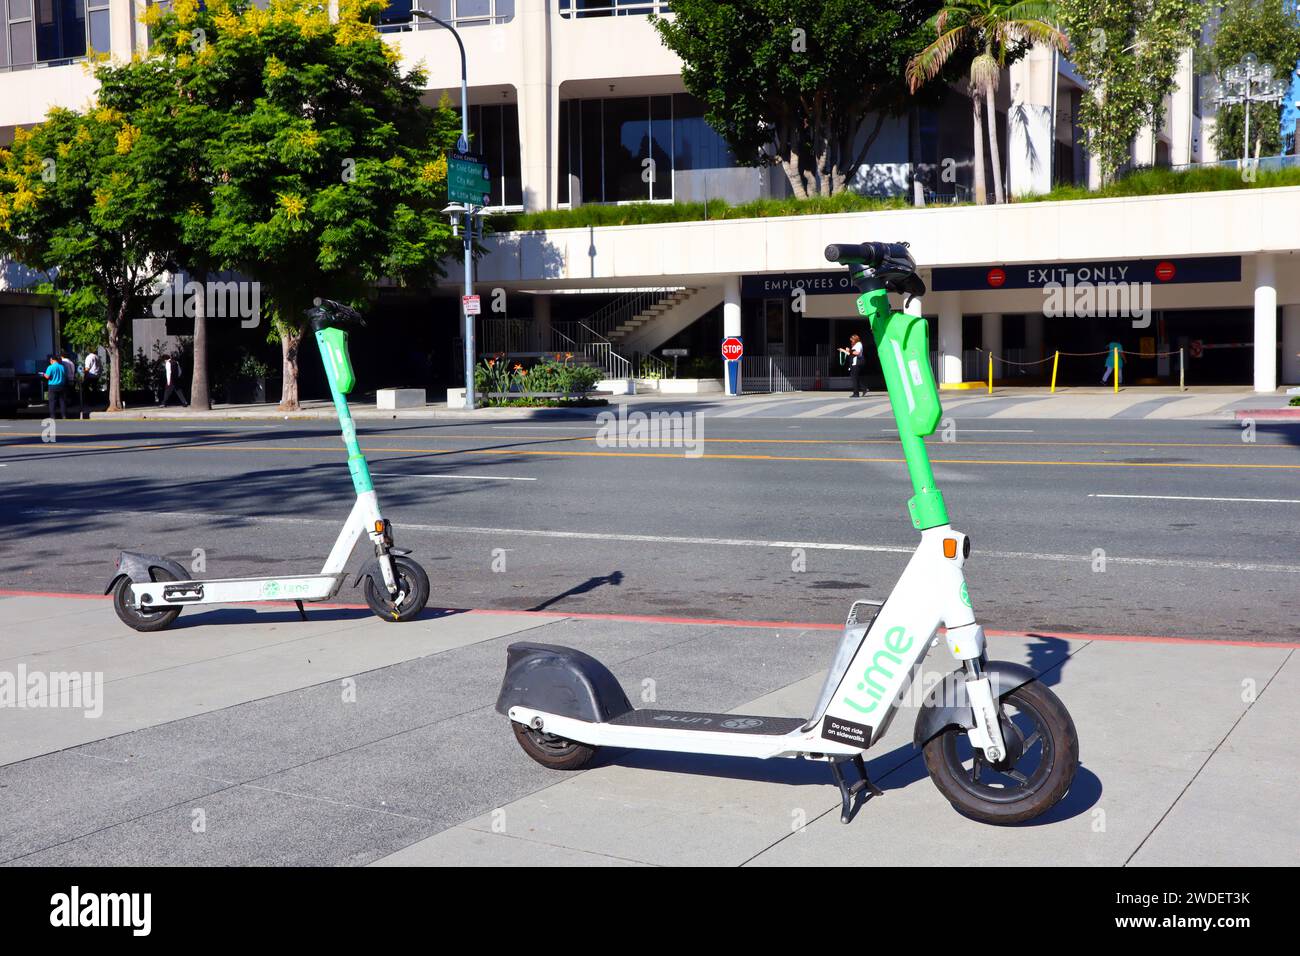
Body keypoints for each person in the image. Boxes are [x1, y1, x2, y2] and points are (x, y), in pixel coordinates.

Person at [42, 353, 67, 419]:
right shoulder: (62, 366)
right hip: (61, 386)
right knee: (62, 401)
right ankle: (64, 415)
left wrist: (43, 374)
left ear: (52, 360)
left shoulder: (50, 367)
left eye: (50, 360)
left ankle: (53, 416)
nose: (50, 362)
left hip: (52, 386)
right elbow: (65, 375)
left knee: (52, 401)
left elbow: (47, 377)